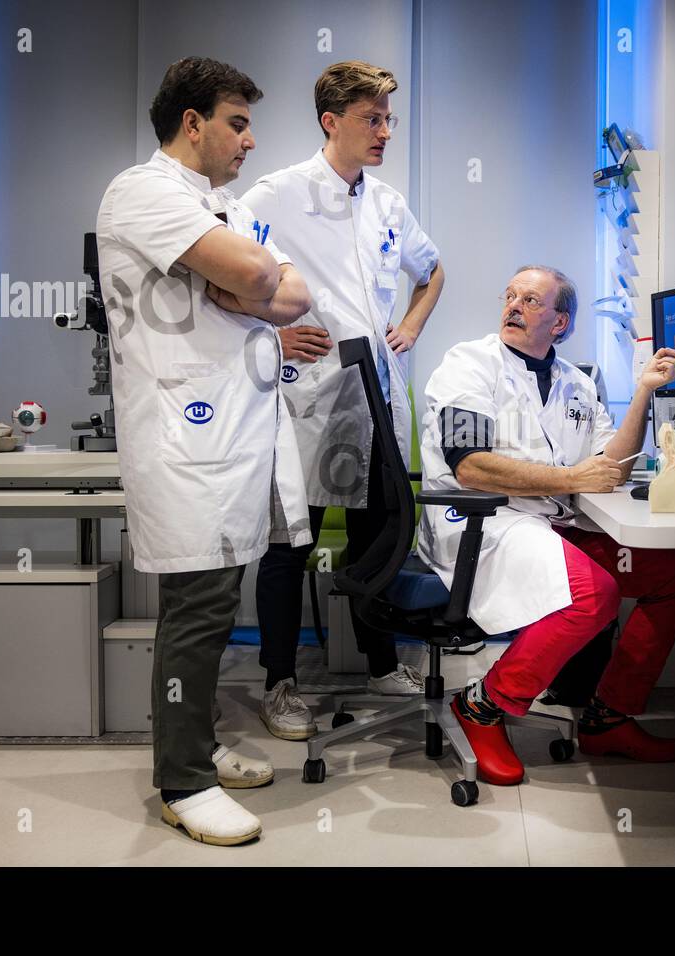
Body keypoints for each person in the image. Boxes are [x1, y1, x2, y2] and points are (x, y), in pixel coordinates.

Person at [96, 56, 312, 845]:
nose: (250, 140)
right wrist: (249, 282)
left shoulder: (219, 205)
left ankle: (200, 743)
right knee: (197, 611)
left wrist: (245, 287)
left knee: (219, 606)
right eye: (238, 122)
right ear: (193, 123)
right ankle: (181, 780)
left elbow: (295, 292)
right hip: (185, 441)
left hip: (234, 439)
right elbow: (262, 272)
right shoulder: (142, 191)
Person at [418, 266, 675, 786]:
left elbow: (610, 464)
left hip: (548, 522)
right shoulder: (468, 366)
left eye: (530, 299)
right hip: (482, 521)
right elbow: (469, 465)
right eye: (509, 295)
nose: (512, 305)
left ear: (561, 323)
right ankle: (483, 705)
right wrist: (572, 476)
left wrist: (643, 392)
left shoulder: (576, 382)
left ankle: (608, 716)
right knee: (592, 593)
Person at [240, 60, 444, 739]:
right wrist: (274, 325)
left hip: (378, 398)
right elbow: (222, 274)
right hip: (310, 399)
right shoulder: (275, 194)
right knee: (291, 544)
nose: (385, 131)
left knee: (376, 538)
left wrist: (411, 325)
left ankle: (382, 664)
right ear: (332, 122)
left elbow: (433, 268)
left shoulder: (387, 202)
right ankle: (278, 684)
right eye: (372, 119)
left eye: (389, 120)